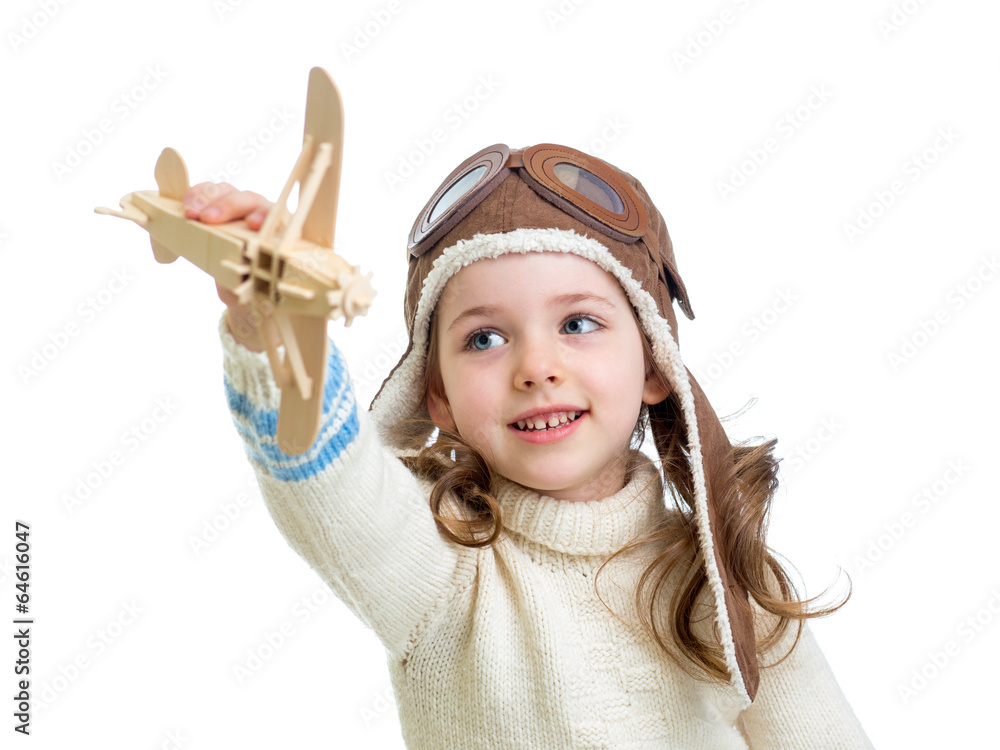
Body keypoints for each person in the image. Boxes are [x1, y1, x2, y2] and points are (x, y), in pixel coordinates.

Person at [184, 143, 875, 748]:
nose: (536, 367)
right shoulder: (442, 569)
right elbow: (328, 485)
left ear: (656, 365)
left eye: (577, 322)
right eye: (485, 338)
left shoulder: (730, 590)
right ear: (440, 396)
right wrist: (273, 323)